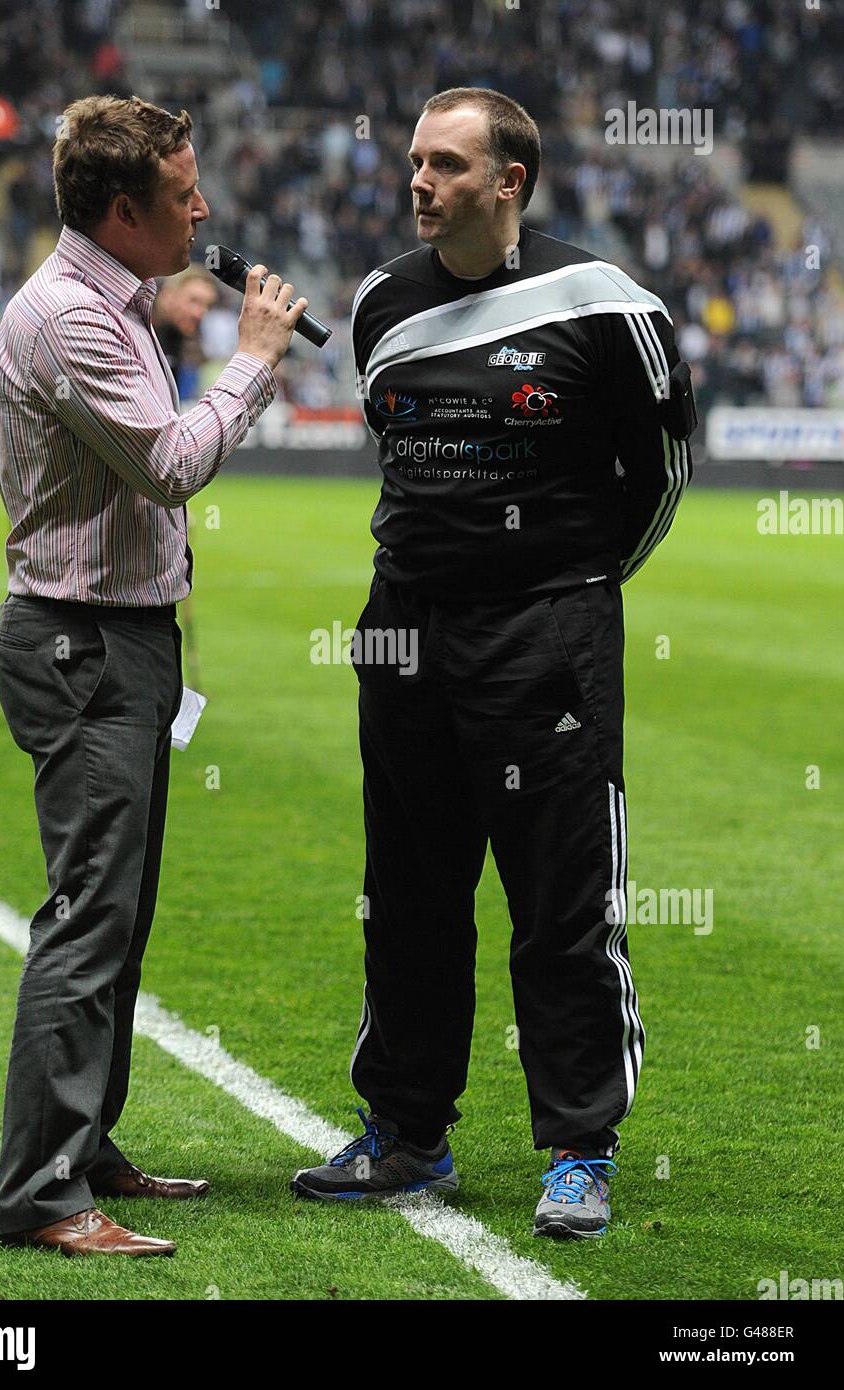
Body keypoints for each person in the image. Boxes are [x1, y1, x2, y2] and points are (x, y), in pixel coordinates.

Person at [292, 87, 695, 1239]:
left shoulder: (605, 306)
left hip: (547, 633)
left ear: (507, 181)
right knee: (407, 893)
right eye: (415, 160)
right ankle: (407, 1135)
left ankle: (580, 1147)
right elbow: (396, 459)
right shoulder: (380, 302)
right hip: (402, 627)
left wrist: (569, 584)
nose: (418, 181)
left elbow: (659, 473)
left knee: (562, 898)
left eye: (446, 165)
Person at [0, 94, 306, 1257]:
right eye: (183, 195)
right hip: (82, 645)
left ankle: (86, 1141)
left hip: (120, 638)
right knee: (87, 918)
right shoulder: (71, 316)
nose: (205, 209)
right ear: (124, 213)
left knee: (117, 917)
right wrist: (255, 361)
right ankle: (43, 1193)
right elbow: (171, 464)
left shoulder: (105, 296)